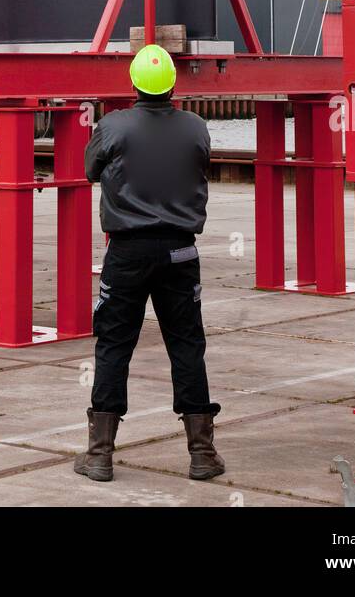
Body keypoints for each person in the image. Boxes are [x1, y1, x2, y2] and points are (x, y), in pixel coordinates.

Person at [74, 44, 224, 484]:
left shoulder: (113, 126)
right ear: (173, 83)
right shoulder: (196, 127)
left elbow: (89, 170)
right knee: (186, 345)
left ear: (134, 82)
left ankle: (99, 455)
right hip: (180, 251)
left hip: (127, 252)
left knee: (114, 345)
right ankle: (202, 454)